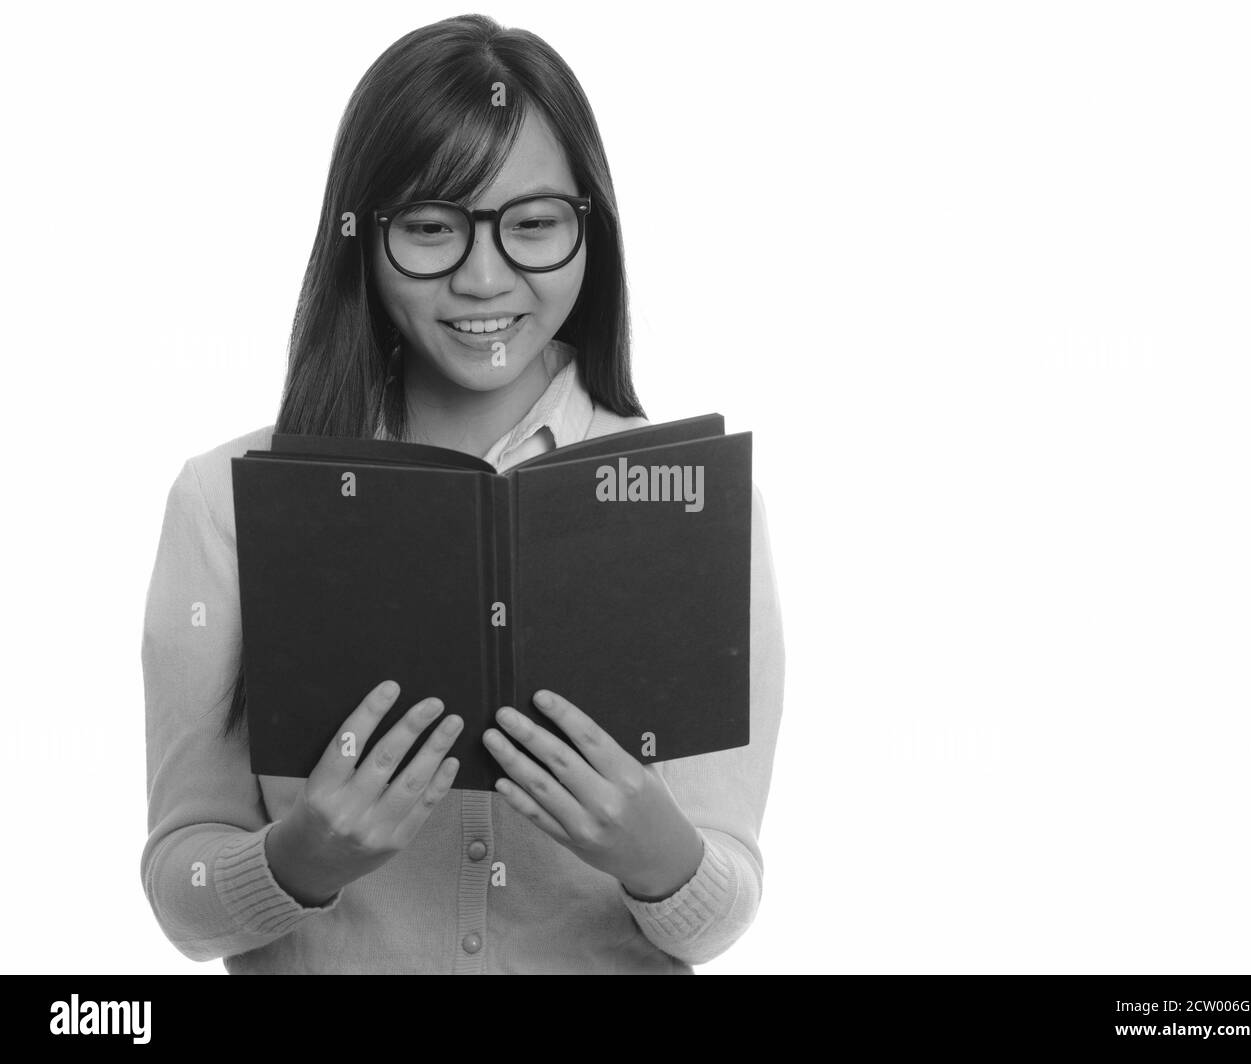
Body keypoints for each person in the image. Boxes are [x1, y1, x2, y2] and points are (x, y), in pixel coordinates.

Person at [140, 14, 785, 974]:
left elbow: (723, 903)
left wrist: (663, 861)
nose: (484, 279)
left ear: (589, 230)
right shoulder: (225, 501)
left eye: (531, 224)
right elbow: (183, 900)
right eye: (433, 228)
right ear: (364, 235)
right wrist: (299, 861)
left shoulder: (683, 496)